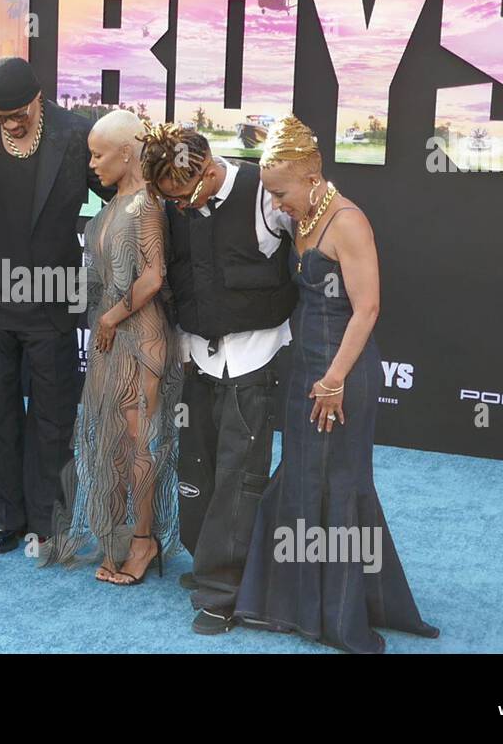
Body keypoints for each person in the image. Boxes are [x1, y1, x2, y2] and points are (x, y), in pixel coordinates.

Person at [232, 114, 439, 653]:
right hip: (306, 368)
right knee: (304, 479)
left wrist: (334, 380)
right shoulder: (303, 218)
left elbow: (367, 308)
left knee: (339, 486)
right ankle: (302, 603)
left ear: (310, 176)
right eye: (270, 194)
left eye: (280, 192)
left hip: (341, 374)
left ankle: (340, 612)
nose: (276, 204)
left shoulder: (348, 222)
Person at [0, 57, 116, 554]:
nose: (11, 123)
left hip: (51, 295)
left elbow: (116, 192)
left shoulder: (74, 133)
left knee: (53, 416)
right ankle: (4, 518)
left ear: (38, 97)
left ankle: (48, 521)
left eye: (19, 112)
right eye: (1, 116)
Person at [144, 123, 299, 635]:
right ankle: (207, 563)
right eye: (170, 199)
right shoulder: (176, 201)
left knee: (240, 476)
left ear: (208, 170)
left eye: (183, 197)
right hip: (199, 355)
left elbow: (315, 247)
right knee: (201, 467)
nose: (179, 207)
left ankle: (224, 592)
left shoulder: (265, 194)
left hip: (255, 357)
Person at [39, 111, 182, 584]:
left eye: (99, 154)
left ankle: (143, 541)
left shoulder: (147, 205)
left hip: (141, 338)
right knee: (110, 444)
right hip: (108, 341)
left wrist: (112, 315)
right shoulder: (108, 207)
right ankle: (117, 537)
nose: (92, 163)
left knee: (142, 442)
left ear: (127, 153)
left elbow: (155, 274)